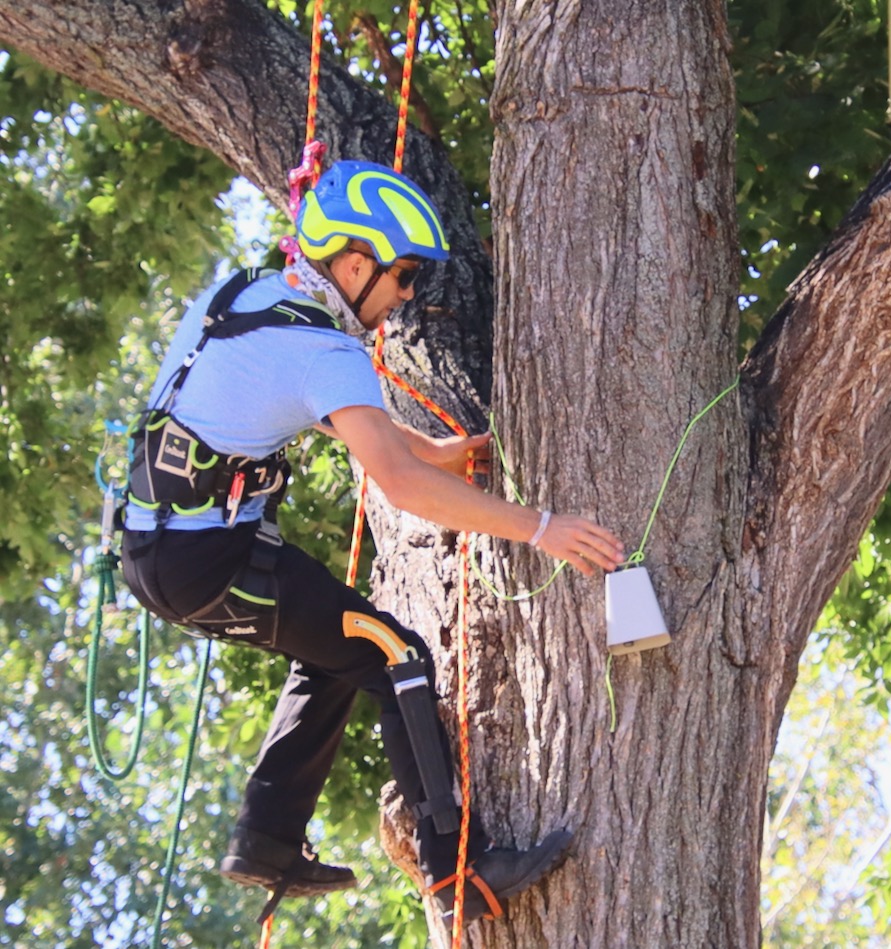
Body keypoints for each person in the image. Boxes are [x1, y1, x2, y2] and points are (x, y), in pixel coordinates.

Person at [120, 159, 624, 922]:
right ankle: (458, 866)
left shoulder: (244, 296)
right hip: (206, 561)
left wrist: (440, 454)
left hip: (156, 547)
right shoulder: (327, 351)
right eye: (404, 275)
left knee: (339, 644)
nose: (408, 296)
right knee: (395, 652)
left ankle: (266, 839)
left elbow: (364, 431)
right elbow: (399, 485)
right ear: (355, 263)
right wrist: (543, 528)